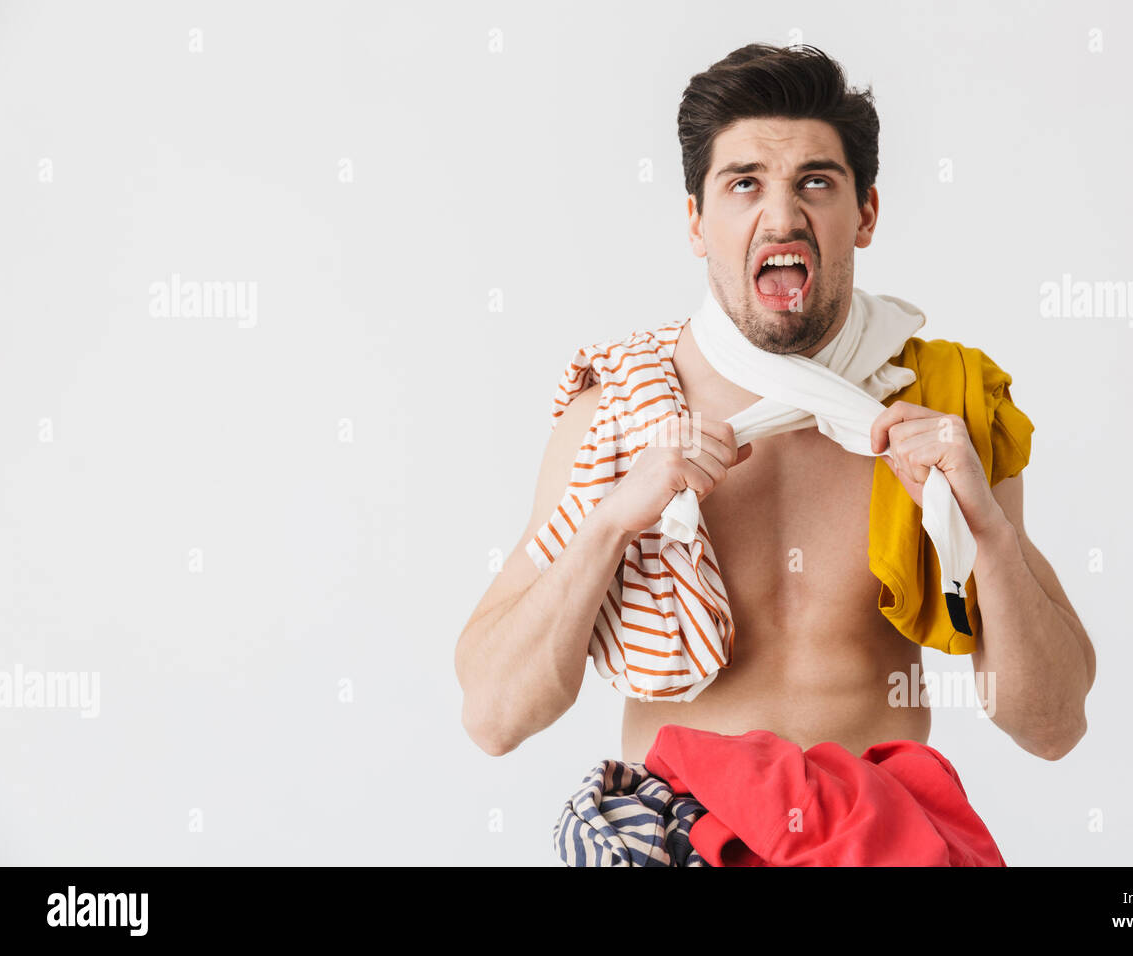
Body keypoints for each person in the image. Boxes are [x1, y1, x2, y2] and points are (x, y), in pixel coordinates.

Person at [455, 43, 1094, 790]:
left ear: (866, 212)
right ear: (696, 222)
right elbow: (494, 718)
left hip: (876, 838)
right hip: (679, 838)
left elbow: (1052, 726)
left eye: (815, 182)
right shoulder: (623, 413)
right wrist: (610, 523)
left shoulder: (945, 405)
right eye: (744, 184)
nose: (782, 215)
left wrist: (984, 528)